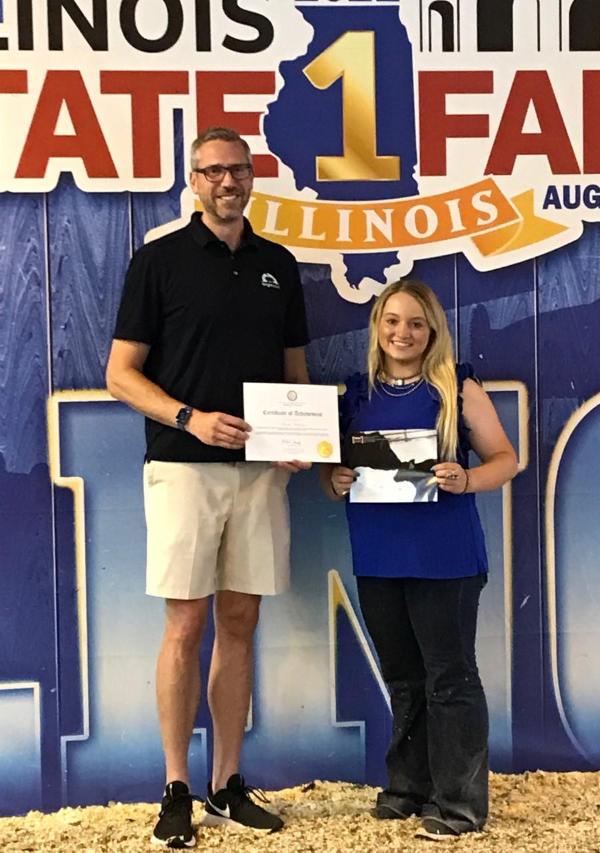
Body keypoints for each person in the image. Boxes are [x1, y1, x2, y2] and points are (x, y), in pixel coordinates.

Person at [106, 126, 310, 848]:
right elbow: (120, 375)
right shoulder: (158, 262)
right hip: (182, 470)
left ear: (253, 178)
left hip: (258, 475)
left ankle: (227, 784)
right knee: (184, 624)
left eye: (240, 169)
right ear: (193, 180)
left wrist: (299, 441)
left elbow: (296, 377)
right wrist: (190, 418)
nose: (228, 181)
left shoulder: (278, 265)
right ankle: (176, 787)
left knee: (240, 623)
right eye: (214, 170)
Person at [321, 279, 518, 840]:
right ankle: (408, 788)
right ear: (376, 328)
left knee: (450, 679)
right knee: (404, 678)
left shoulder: (457, 388)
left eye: (415, 323)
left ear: (432, 331)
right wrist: (332, 480)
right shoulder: (355, 395)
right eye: (391, 321)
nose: (401, 333)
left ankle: (459, 804)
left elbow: (507, 458)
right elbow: (331, 477)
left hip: (446, 559)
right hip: (379, 558)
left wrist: (466, 478)